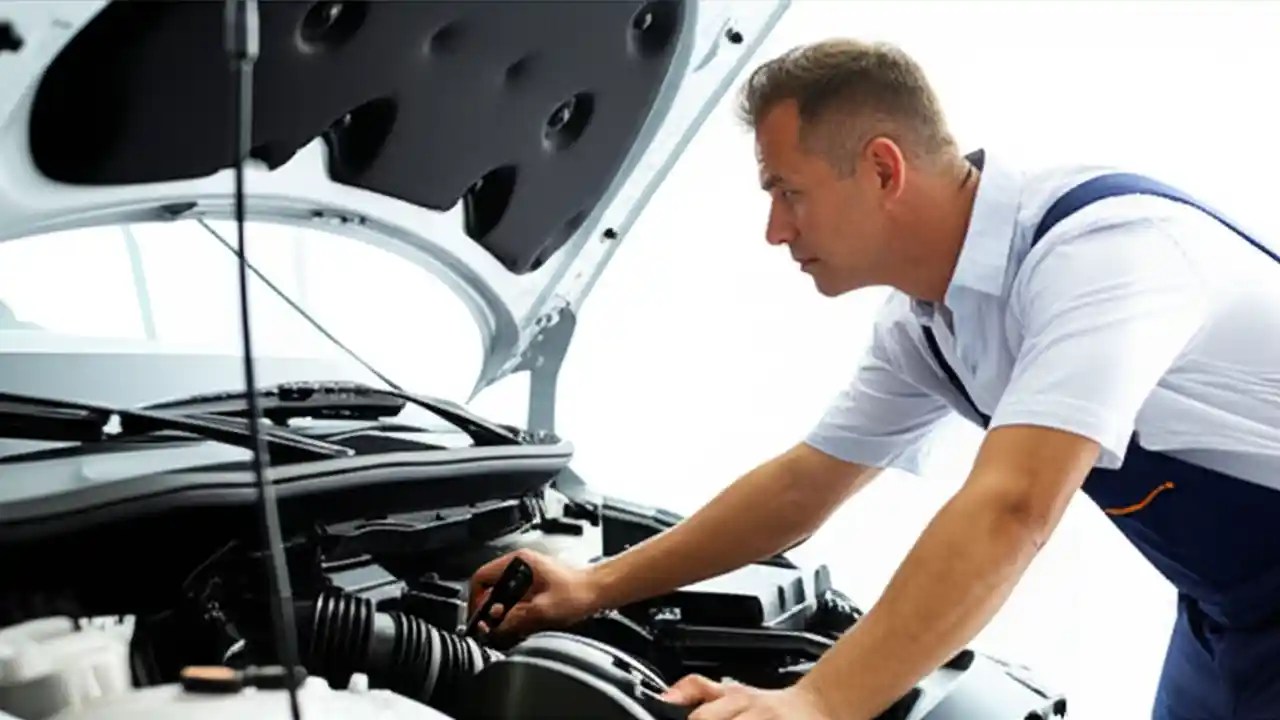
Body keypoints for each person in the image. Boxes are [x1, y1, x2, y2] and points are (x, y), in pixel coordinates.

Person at [469, 38, 1280, 720]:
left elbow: (1013, 508)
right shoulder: (928, 322)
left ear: (883, 170)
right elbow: (803, 487)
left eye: (788, 193)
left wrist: (818, 704)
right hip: (1230, 617)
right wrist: (592, 587)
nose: (774, 230)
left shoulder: (1102, 255)